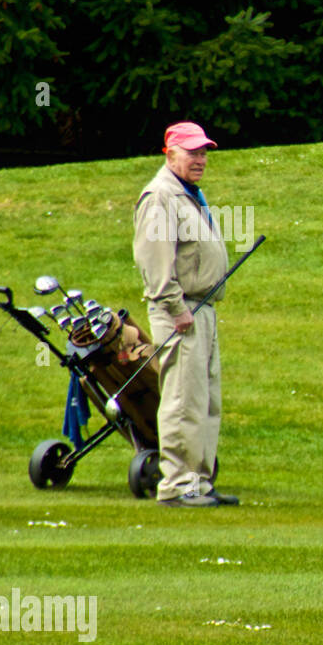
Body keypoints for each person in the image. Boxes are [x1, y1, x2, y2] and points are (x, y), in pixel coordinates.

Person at [132, 121, 237, 508]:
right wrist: (176, 308)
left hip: (200, 310)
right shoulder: (160, 196)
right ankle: (177, 487)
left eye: (204, 152)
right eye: (192, 152)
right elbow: (154, 261)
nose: (201, 159)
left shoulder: (189, 193)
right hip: (180, 312)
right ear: (170, 153)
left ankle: (199, 485)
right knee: (182, 401)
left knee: (206, 401)